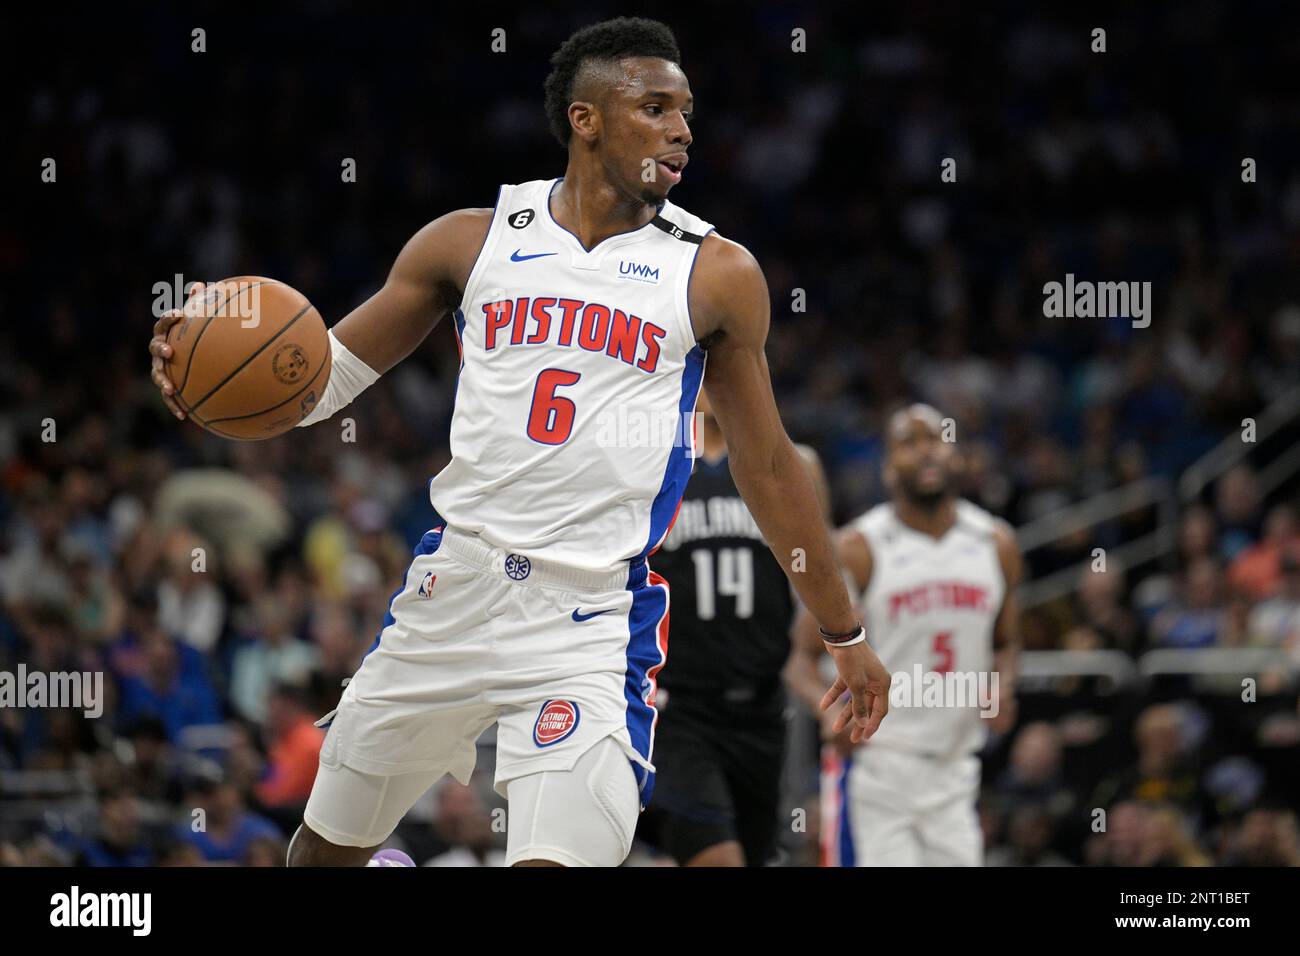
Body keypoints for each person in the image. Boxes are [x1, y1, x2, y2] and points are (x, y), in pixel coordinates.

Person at [149, 17, 889, 868]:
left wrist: (843, 633)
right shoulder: (468, 240)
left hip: (588, 616)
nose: (683, 129)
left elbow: (766, 465)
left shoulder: (715, 272)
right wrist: (204, 366)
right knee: (320, 855)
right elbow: (320, 385)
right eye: (655, 108)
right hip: (452, 587)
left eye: (686, 111)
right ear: (587, 120)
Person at [788, 404, 1021, 866]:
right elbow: (798, 659)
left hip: (956, 769)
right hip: (877, 767)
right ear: (888, 467)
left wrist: (1004, 684)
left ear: (957, 455)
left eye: (936, 439)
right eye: (908, 443)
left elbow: (1006, 643)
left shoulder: (996, 543)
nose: (926, 452)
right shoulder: (858, 547)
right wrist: (827, 712)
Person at [635, 390, 829, 865]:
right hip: (680, 707)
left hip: (762, 707)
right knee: (716, 854)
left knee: (754, 853)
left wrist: (810, 659)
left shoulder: (792, 462)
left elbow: (821, 571)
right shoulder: (654, 459)